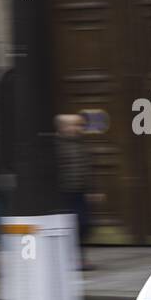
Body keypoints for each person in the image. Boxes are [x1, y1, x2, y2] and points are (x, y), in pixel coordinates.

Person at [55, 113, 98, 270]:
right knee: (68, 227)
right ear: (62, 127)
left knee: (84, 225)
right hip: (64, 193)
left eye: (79, 125)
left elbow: (88, 170)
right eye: (73, 125)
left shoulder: (82, 144)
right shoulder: (55, 146)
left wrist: (93, 190)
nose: (77, 128)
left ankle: (80, 258)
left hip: (80, 192)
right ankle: (70, 259)